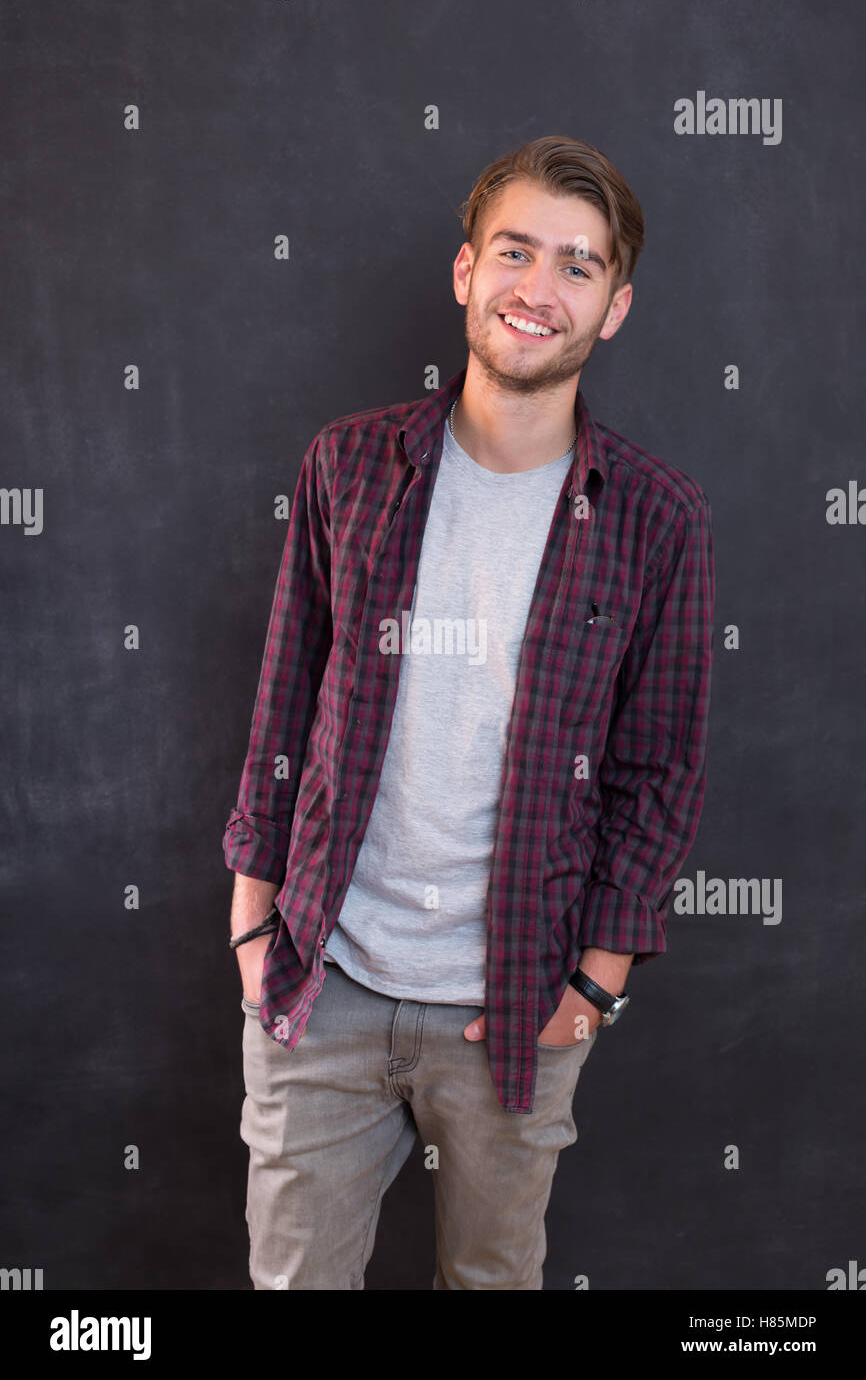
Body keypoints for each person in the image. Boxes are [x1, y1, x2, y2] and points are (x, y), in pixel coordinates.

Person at [223, 134, 715, 1290]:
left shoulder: (656, 518)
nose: (537, 290)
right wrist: (254, 921)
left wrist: (593, 985)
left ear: (616, 304)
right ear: (464, 271)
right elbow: (283, 702)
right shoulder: (349, 467)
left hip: (518, 1006)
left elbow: (662, 769)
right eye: (515, 252)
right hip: (321, 982)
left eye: (577, 265)